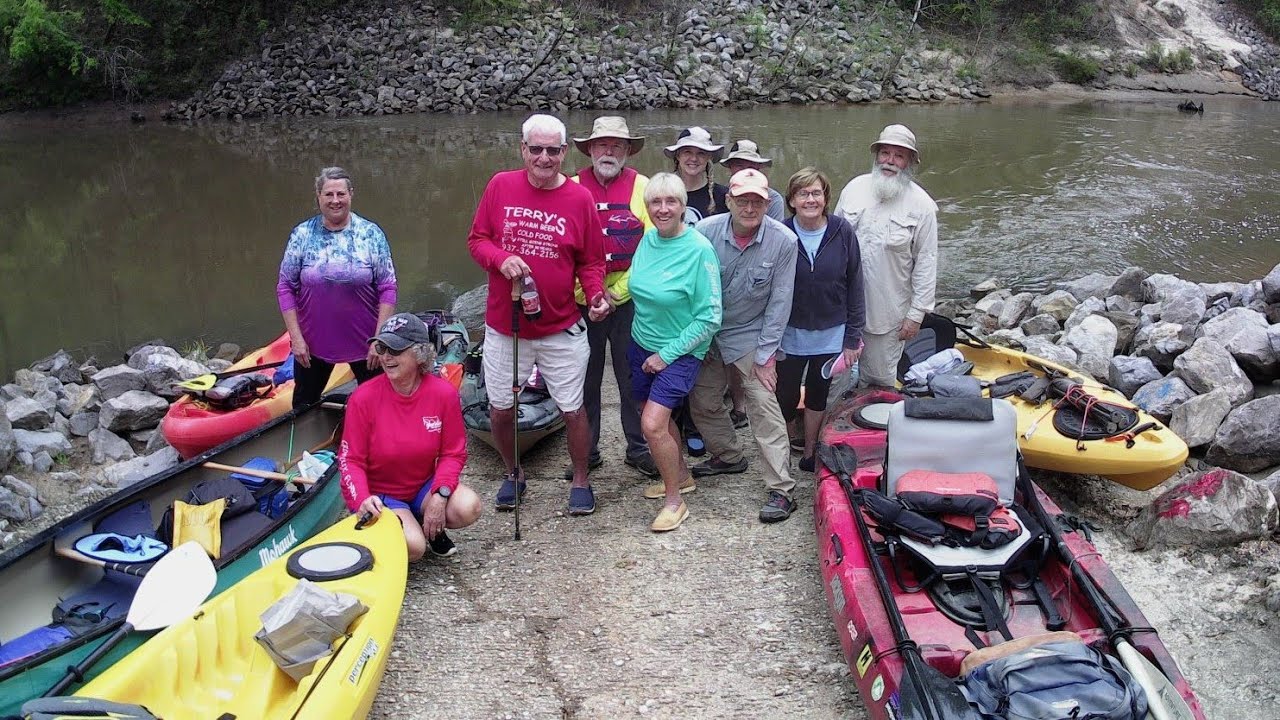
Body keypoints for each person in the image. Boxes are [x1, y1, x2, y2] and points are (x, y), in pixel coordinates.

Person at [467, 113, 611, 517]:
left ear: (564, 153)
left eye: (553, 150)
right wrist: (500, 258)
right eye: (536, 149)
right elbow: (477, 241)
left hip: (560, 326)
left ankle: (581, 478)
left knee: (572, 409)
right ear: (523, 150)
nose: (544, 158)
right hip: (505, 327)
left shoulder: (579, 198)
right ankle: (513, 472)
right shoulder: (500, 185)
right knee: (499, 407)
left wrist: (597, 295)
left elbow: (592, 262)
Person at [691, 169, 799, 523]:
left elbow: (780, 302)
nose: (750, 207)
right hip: (707, 327)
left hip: (750, 331)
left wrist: (767, 356)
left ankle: (781, 489)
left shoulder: (784, 241)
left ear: (768, 204)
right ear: (729, 200)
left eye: (757, 201)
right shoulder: (704, 232)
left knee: (763, 402)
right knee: (703, 400)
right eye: (743, 200)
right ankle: (729, 455)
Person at [338, 313, 481, 560]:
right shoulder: (362, 398)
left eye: (396, 349)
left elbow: (453, 452)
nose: (386, 357)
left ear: (420, 353)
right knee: (415, 549)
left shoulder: (443, 394)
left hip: (421, 486)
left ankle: (422, 520)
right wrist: (361, 499)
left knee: (469, 507)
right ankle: (407, 526)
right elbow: (350, 460)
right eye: (381, 348)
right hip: (381, 494)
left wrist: (441, 494)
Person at [627, 173, 722, 532]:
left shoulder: (699, 250)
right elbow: (636, 284)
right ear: (647, 207)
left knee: (651, 425)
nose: (663, 209)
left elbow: (710, 317)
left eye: (671, 202)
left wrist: (666, 355)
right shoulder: (648, 239)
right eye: (656, 202)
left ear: (684, 207)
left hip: (680, 351)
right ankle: (681, 475)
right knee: (656, 418)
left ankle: (674, 502)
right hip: (640, 343)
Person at [568, 116, 658, 480]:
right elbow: (561, 250)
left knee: (632, 376)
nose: (609, 151)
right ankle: (585, 452)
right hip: (578, 303)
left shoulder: (645, 187)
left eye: (617, 145)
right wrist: (587, 293)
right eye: (602, 144)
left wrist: (616, 294)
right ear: (589, 149)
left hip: (629, 303)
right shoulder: (569, 187)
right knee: (583, 380)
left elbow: (653, 251)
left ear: (627, 150)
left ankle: (637, 448)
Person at [278, 166, 397, 408]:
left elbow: (388, 287)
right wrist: (296, 338)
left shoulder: (370, 234)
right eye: (328, 194)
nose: (335, 201)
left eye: (341, 194)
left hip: (365, 344)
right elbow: (285, 287)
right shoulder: (302, 235)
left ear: (351, 195)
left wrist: (379, 338)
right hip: (312, 345)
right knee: (302, 405)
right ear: (318, 197)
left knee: (379, 406)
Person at [834, 124, 938, 388]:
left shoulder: (923, 206)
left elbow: (926, 262)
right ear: (876, 155)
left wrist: (916, 315)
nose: (890, 161)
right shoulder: (853, 188)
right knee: (835, 379)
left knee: (879, 380)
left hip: (888, 312)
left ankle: (874, 425)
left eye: (899, 156)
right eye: (885, 153)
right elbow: (831, 242)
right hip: (840, 307)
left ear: (909, 162)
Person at [777, 168, 865, 472]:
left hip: (831, 332)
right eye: (803, 193)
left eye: (816, 193)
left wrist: (853, 337)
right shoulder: (781, 232)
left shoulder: (842, 231)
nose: (810, 199)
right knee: (785, 394)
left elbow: (855, 284)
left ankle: (810, 451)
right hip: (789, 333)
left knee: (817, 394)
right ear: (791, 200)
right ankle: (790, 436)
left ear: (826, 198)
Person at [665, 126, 727, 225]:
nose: (694, 158)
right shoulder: (663, 194)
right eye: (687, 152)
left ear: (709, 157)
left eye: (701, 153)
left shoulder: (723, 196)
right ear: (678, 156)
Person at [718, 139, 786, 221]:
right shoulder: (719, 194)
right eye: (739, 165)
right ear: (730, 167)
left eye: (751, 167)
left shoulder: (774, 199)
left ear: (758, 169)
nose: (745, 171)